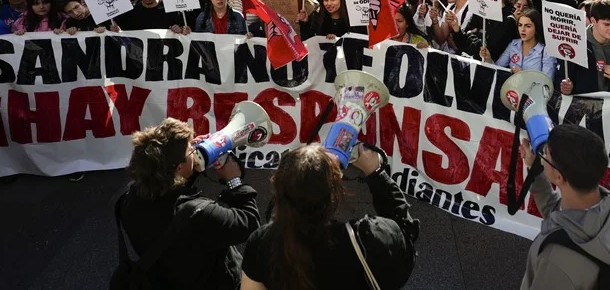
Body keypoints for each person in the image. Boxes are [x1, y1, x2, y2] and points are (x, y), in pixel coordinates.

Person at [240, 144, 419, 290]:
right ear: (334, 194)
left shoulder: (262, 243)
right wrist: (376, 172)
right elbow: (405, 235)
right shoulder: (367, 242)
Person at [119, 118, 260, 289]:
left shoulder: (129, 198)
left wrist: (189, 161)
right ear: (178, 168)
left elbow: (169, 187)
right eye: (190, 149)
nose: (194, 150)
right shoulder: (198, 214)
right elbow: (249, 222)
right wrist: (234, 180)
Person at [518, 124, 610, 290]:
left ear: (559, 176)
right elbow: (558, 217)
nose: (541, 155)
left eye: (545, 153)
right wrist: (536, 170)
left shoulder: (555, 259)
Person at [557, 0, 610, 96]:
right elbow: (562, 77)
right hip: (583, 107)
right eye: (606, 24)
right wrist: (566, 87)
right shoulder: (575, 45)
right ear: (593, 21)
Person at [482, 8, 556, 79]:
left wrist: (523, 75)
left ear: (536, 29)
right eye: (520, 25)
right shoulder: (513, 44)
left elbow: (547, 84)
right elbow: (497, 69)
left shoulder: (546, 51)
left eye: (528, 26)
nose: (522, 29)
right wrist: (488, 59)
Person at [54, 0, 120, 33]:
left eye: (76, 7)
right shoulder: (69, 22)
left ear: (82, 2)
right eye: (69, 12)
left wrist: (113, 31)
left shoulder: (103, 14)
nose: (76, 13)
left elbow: (119, 38)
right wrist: (64, 33)